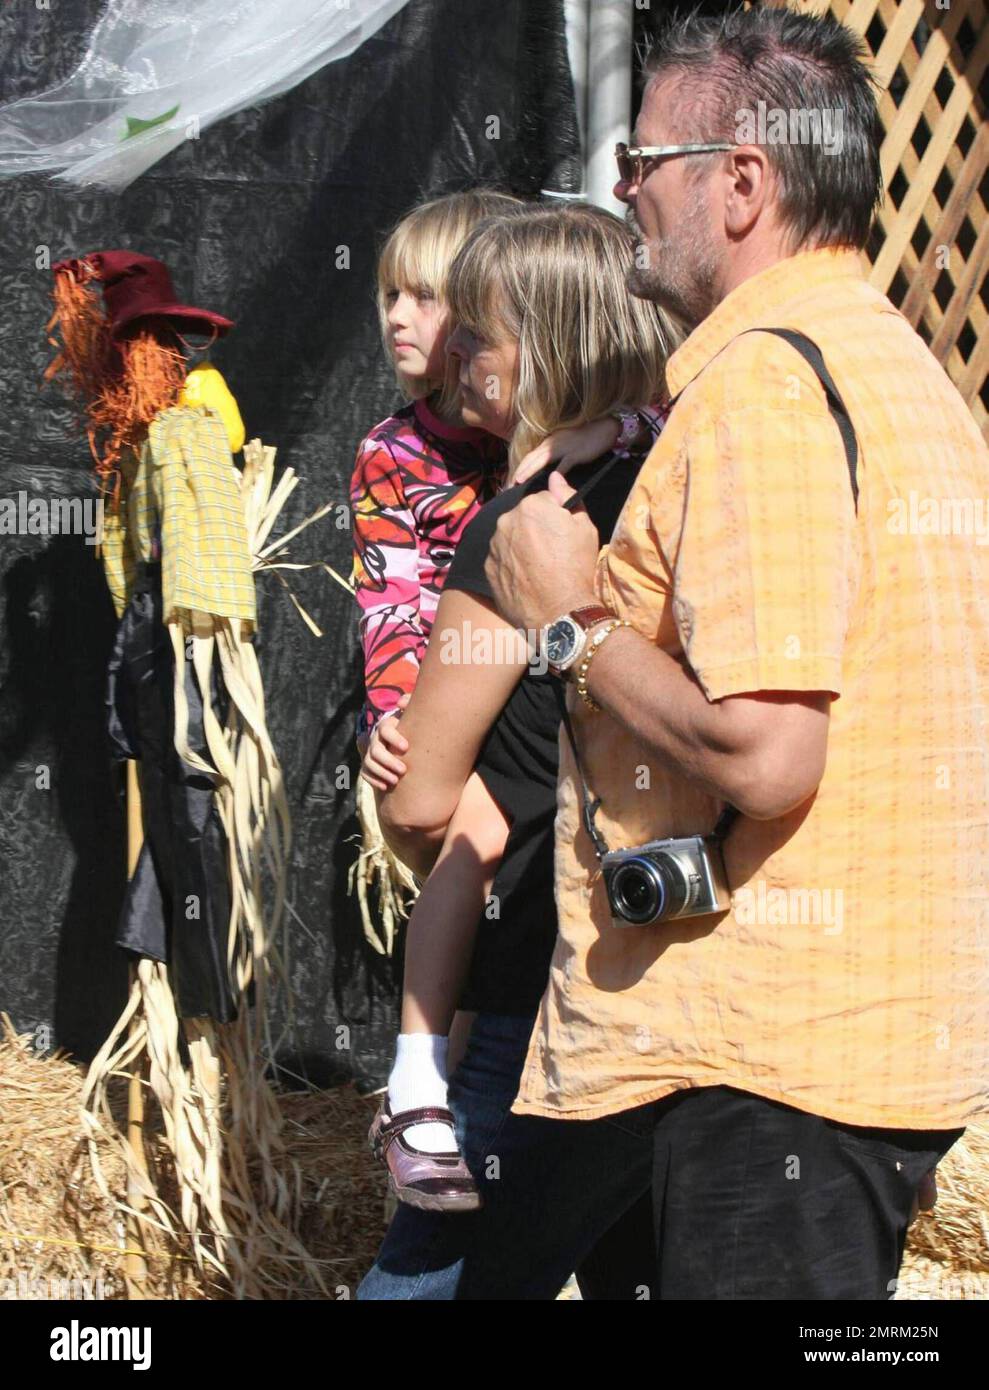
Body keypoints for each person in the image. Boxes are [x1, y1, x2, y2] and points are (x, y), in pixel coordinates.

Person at [473, 6, 989, 1299]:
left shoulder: (766, 386)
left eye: (642, 163)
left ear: (742, 182)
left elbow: (766, 752)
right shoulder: (903, 374)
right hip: (827, 1044)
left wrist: (568, 620)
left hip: (754, 1061)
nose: (620, 191)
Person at [357, 202, 676, 1297]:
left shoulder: (521, 528)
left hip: (536, 975)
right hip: (669, 978)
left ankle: (415, 1083)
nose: (456, 353)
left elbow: (424, 804)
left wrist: (401, 756)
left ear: (540, 343)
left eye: (478, 331)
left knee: (432, 1272)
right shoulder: (672, 489)